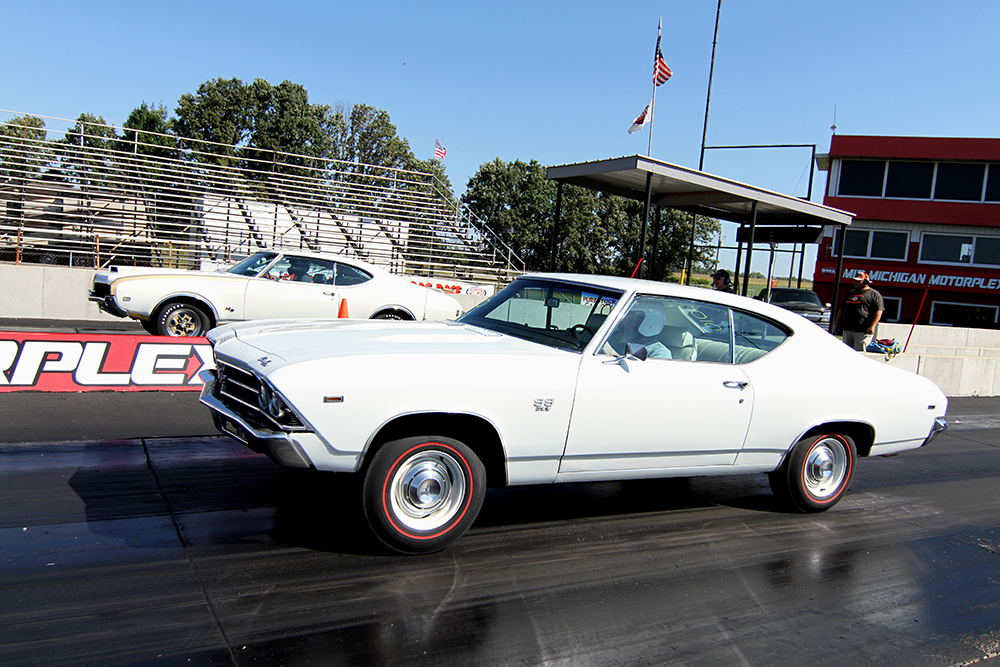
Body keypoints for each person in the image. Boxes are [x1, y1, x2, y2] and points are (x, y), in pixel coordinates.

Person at [834, 271, 884, 351]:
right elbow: (841, 309)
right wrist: (836, 324)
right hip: (848, 329)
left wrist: (872, 326)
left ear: (866, 281)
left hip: (862, 330)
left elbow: (879, 311)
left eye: (858, 281)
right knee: (846, 353)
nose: (855, 283)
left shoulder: (874, 294)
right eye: (854, 281)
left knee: (860, 353)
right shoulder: (850, 294)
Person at [606, 301, 672, 359]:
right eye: (625, 319)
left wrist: (610, 352)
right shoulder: (622, 347)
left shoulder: (660, 354)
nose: (626, 324)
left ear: (649, 324)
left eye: (631, 320)